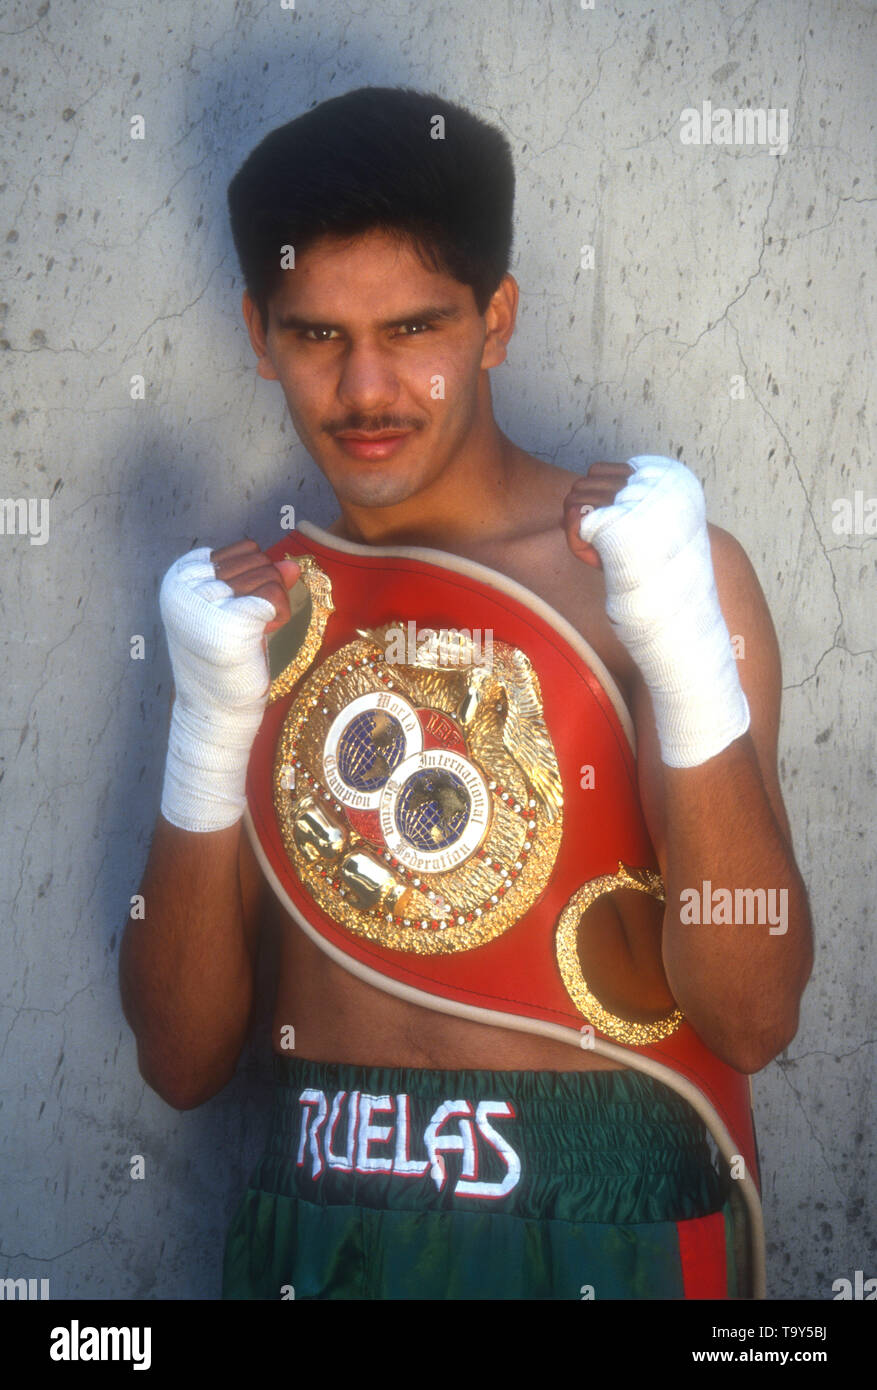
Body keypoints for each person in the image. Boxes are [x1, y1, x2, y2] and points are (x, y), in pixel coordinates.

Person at [119, 86, 813, 1300]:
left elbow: (752, 1016)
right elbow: (180, 1062)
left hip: (610, 1213)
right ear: (257, 332)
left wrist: (684, 651)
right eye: (317, 334)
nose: (368, 389)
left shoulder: (645, 572)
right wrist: (207, 725)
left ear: (495, 321)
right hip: (316, 1221)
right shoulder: (250, 614)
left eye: (416, 329)